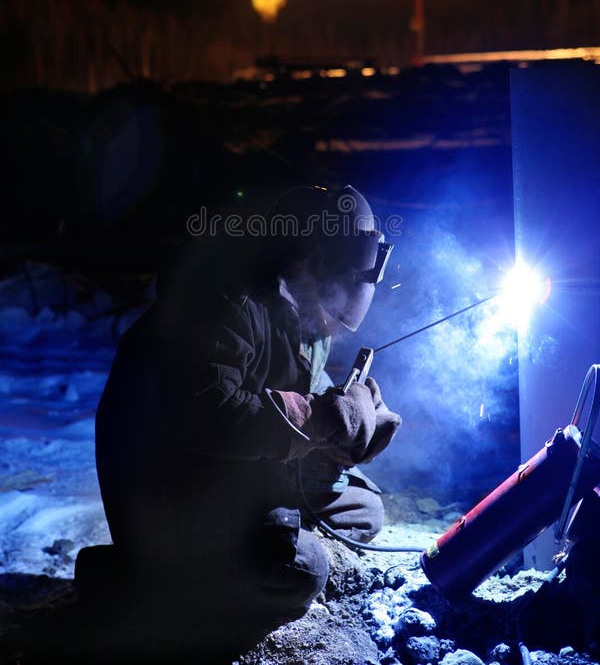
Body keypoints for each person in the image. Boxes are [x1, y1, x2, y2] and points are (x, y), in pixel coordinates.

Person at [76, 184, 401, 659]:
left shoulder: (300, 315)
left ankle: (231, 570)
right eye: (331, 305)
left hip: (233, 476)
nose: (331, 324)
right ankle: (132, 581)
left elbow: (294, 395)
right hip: (170, 488)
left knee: (361, 508)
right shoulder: (222, 302)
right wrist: (316, 418)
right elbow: (211, 412)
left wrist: (352, 425)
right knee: (303, 568)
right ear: (304, 261)